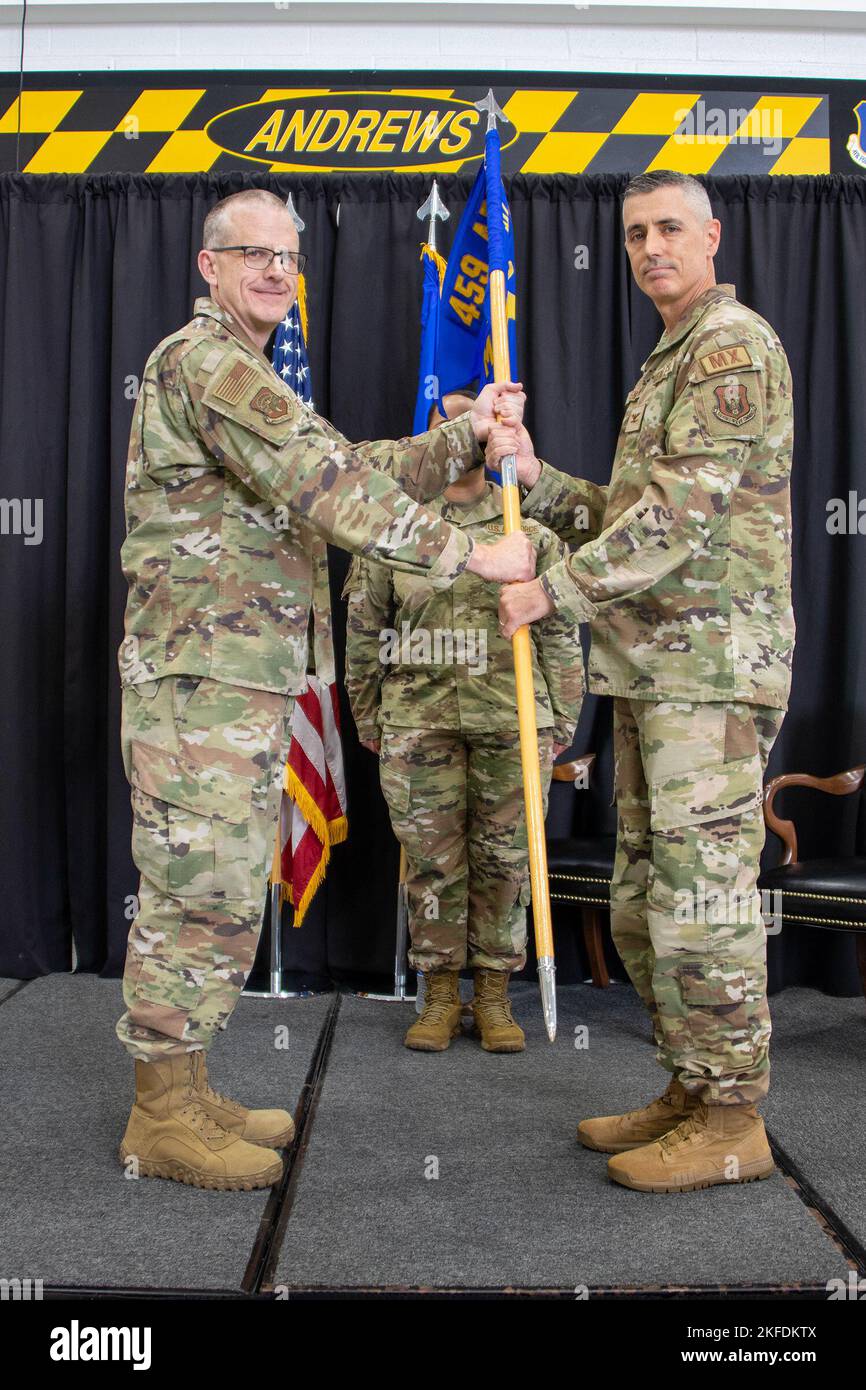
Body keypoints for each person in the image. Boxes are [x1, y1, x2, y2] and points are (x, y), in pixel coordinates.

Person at [116, 188, 534, 1191]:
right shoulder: (205, 361)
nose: (273, 270)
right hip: (202, 682)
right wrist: (471, 558)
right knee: (193, 889)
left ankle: (188, 1083)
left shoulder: (248, 371)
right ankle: (158, 1115)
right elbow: (330, 487)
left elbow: (342, 462)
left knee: (216, 888)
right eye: (250, 253)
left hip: (236, 678)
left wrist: (464, 437)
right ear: (207, 267)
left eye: (285, 258)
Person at [488, 170, 794, 1193]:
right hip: (655, 673)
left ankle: (732, 1120)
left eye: (668, 227)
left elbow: (680, 521)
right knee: (643, 902)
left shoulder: (728, 345)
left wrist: (549, 593)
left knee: (702, 904)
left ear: (711, 233)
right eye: (632, 235)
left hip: (708, 676)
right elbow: (633, 509)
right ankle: (688, 1086)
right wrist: (539, 482)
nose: (649, 247)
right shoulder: (671, 353)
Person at [344, 390, 584, 1053]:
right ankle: (442, 994)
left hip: (513, 721)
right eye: (447, 430)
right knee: (431, 863)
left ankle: (497, 996)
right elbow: (365, 633)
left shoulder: (526, 530)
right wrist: (369, 713)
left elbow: (560, 636)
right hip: (419, 722)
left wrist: (561, 715)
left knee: (506, 862)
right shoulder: (396, 532)